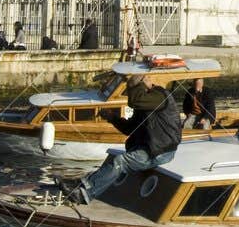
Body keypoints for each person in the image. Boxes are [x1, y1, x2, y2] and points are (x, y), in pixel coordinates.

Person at [70, 75, 182, 204]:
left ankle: (85, 195)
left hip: (161, 152)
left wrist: (139, 84)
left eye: (132, 91)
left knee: (120, 161)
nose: (130, 95)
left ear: (141, 87)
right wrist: (112, 117)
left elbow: (135, 101)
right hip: (150, 148)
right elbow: (130, 128)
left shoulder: (160, 96)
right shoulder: (145, 104)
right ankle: (82, 185)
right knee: (115, 160)